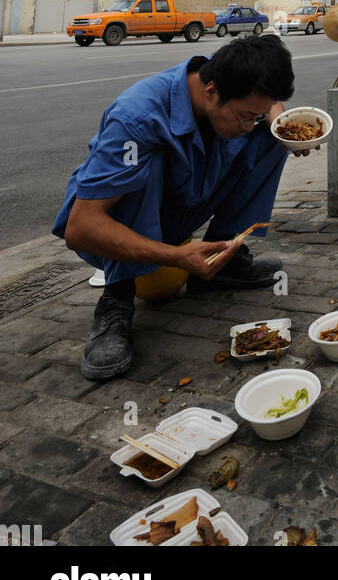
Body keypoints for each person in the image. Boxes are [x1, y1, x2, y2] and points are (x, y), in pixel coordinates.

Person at [53, 36, 301, 381]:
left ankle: (221, 258)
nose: (247, 126)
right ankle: (117, 298)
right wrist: (178, 257)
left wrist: (277, 117)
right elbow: (80, 228)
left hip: (184, 203)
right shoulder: (137, 117)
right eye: (244, 117)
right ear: (212, 92)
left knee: (274, 138)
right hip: (122, 227)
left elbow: (263, 108)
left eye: (253, 116)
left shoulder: (221, 85)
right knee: (146, 163)